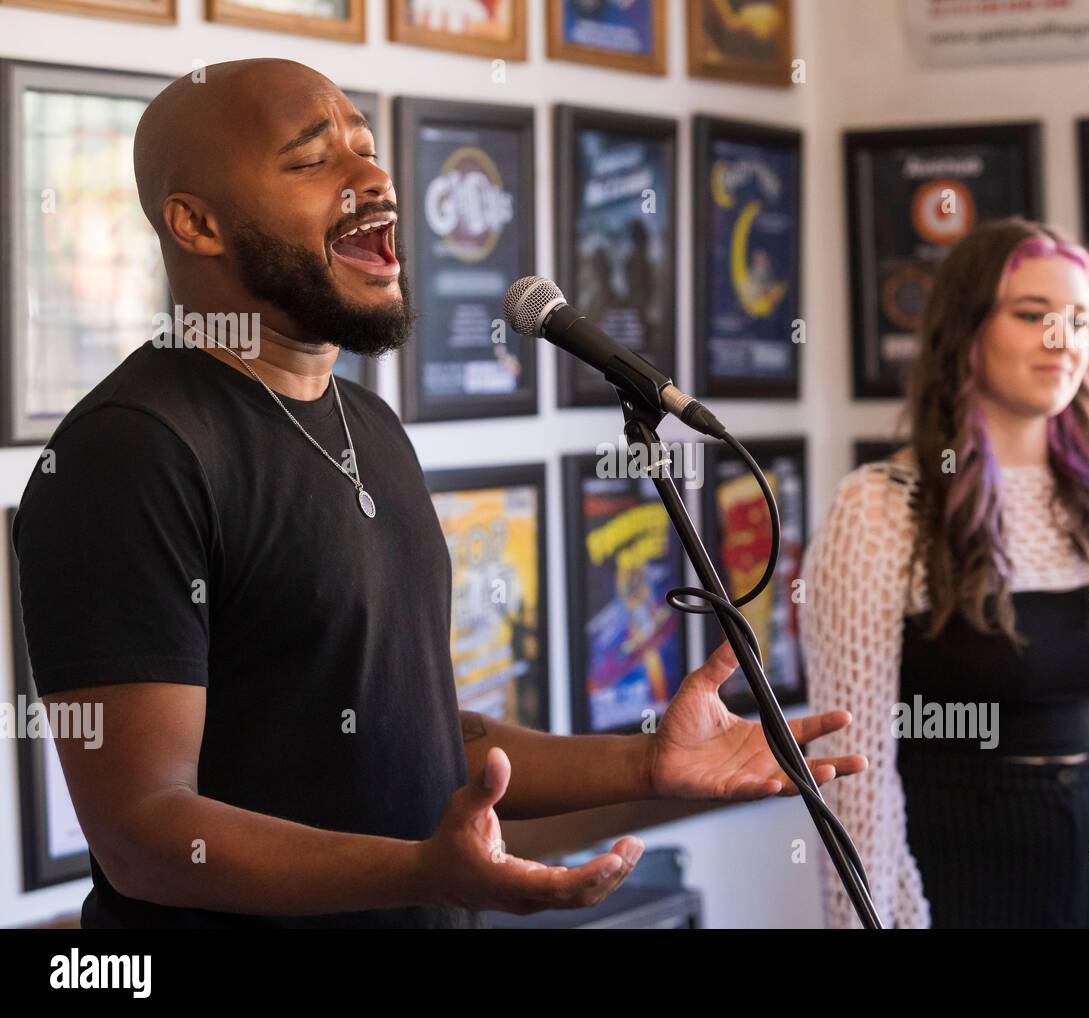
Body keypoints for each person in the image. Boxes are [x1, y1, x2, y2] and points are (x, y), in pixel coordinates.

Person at [11, 59, 865, 930]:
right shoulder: (130, 454)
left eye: (368, 150)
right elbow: (144, 833)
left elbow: (421, 735)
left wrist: (647, 765)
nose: (372, 178)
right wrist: (426, 868)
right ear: (196, 222)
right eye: (312, 162)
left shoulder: (368, 427)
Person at [802, 217, 1089, 929]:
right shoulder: (881, 508)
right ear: (966, 330)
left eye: (1079, 320)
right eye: (1032, 315)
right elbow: (853, 769)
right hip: (961, 876)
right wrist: (877, 920)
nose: (1063, 341)